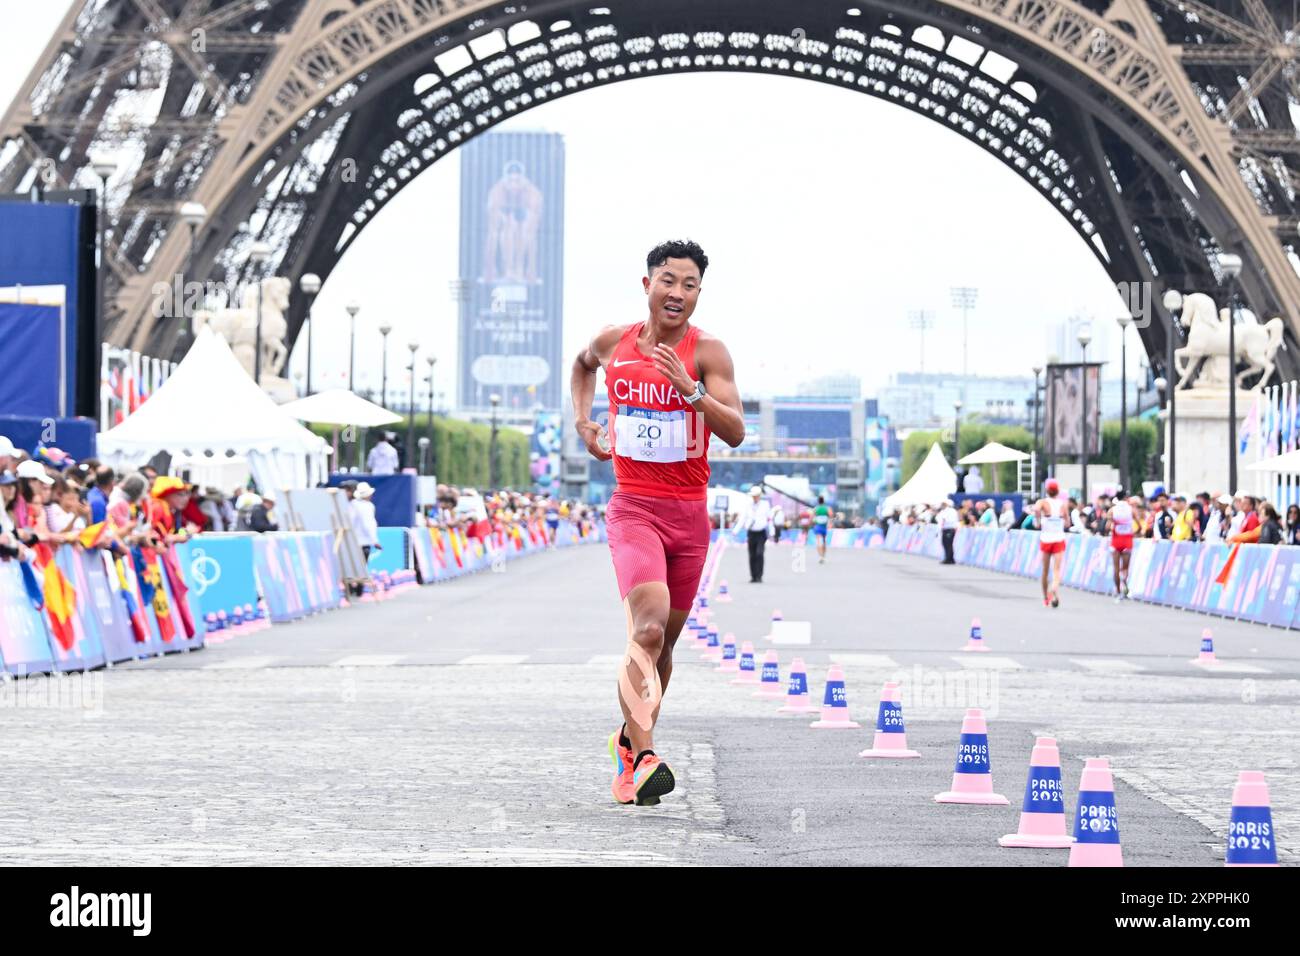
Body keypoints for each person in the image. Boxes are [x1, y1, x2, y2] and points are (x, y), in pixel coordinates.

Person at [570, 238, 745, 807]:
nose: (678, 293)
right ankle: (643, 758)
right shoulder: (613, 342)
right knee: (644, 630)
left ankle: (628, 741)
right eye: (668, 280)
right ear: (647, 284)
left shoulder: (707, 352)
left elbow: (737, 430)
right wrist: (582, 420)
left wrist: (690, 392)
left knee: (663, 647)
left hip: (690, 517)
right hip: (634, 508)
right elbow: (581, 366)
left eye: (690, 284)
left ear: (698, 294)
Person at [1034, 478, 1068, 608]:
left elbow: (1036, 509)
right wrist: (1062, 522)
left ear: (1047, 491)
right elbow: (1068, 521)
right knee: (1057, 569)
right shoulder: (1062, 504)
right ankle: (1054, 588)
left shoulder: (1043, 502)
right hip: (1058, 539)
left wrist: (1038, 521)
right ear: (1057, 491)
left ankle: (1045, 598)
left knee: (1045, 570)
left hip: (1046, 539)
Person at [1107, 493, 1137, 600]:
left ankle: (1118, 591)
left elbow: (1107, 527)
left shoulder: (1112, 510)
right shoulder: (1131, 509)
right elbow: (1138, 525)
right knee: (1125, 568)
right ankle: (1125, 584)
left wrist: (1114, 525)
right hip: (1127, 540)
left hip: (1116, 541)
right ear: (1125, 498)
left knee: (1116, 568)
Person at [742, 486, 773, 581]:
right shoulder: (748, 505)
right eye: (753, 496)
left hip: (761, 533)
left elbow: (769, 518)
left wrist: (772, 530)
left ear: (759, 496)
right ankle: (753, 576)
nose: (754, 497)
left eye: (756, 496)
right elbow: (743, 518)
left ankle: (759, 575)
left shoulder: (765, 505)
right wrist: (735, 530)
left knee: (759, 553)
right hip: (751, 532)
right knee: (752, 555)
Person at [351, 482, 379, 558]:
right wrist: (375, 541)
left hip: (353, 542)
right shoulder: (368, 506)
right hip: (364, 542)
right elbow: (369, 524)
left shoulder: (353, 504)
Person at [937, 498, 959, 564]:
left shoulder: (949, 511)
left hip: (949, 529)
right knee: (947, 544)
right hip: (947, 529)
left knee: (947, 544)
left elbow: (944, 519)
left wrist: (941, 527)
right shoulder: (946, 511)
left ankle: (948, 558)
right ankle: (950, 558)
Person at [812, 495, 832, 564]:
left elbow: (812, 518)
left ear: (818, 501)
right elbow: (831, 516)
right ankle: (823, 556)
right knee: (824, 541)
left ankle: (820, 557)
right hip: (824, 527)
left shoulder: (816, 508)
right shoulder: (827, 508)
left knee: (818, 542)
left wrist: (813, 522)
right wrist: (829, 523)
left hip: (818, 526)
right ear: (824, 501)